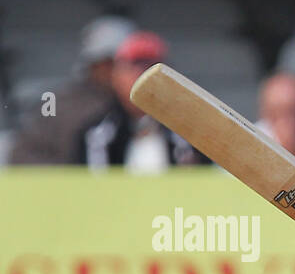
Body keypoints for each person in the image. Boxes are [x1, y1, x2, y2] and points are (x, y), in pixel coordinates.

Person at [9, 16, 136, 165]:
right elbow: (24, 154)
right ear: (93, 64)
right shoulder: (56, 102)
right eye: (111, 63)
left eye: (131, 63)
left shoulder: (139, 105)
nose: (118, 70)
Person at [75, 31, 207, 171]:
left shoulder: (191, 133)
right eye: (134, 65)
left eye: (152, 66)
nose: (144, 74)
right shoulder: (97, 133)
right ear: (116, 74)